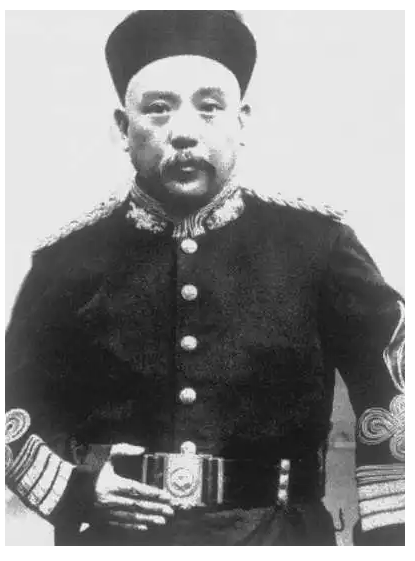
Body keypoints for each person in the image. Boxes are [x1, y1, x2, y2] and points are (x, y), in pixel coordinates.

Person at [5, 10, 404, 546]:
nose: (185, 132)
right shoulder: (63, 262)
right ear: (123, 127)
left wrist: (391, 540)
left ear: (242, 120)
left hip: (279, 539)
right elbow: (15, 407)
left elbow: (393, 393)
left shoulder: (319, 246)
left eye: (209, 107)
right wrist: (79, 489)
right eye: (158, 109)